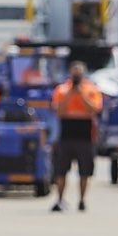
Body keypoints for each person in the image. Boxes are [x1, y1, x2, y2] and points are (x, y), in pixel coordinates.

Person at [49, 61, 103, 213]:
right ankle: (59, 199)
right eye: (74, 72)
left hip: (85, 136)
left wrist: (80, 93)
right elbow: (58, 110)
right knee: (61, 171)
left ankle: (82, 200)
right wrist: (70, 93)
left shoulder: (91, 90)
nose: (76, 76)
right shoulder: (62, 90)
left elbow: (93, 109)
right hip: (66, 135)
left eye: (79, 73)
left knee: (85, 171)